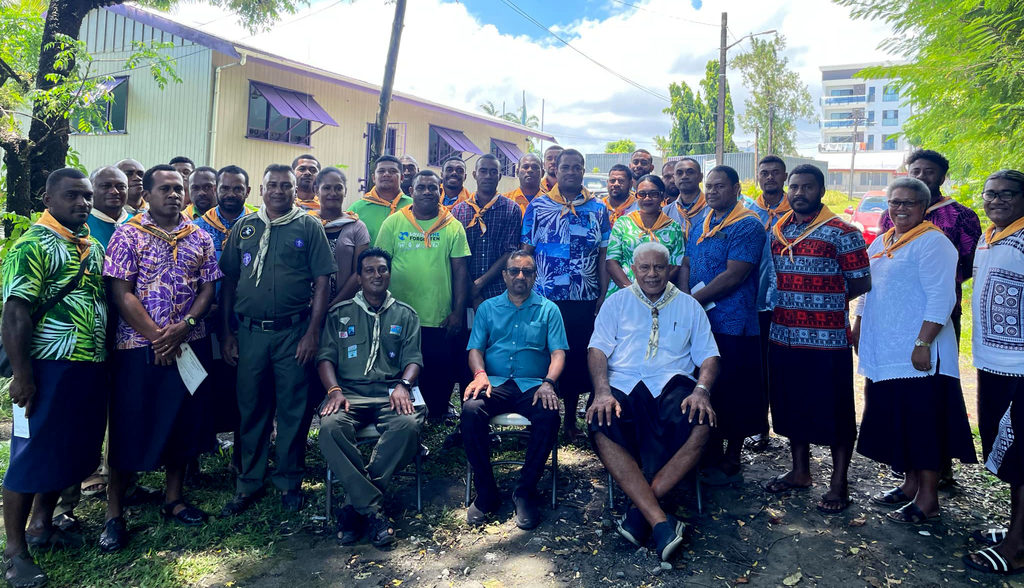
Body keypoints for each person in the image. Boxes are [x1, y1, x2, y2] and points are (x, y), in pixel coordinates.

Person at [100, 165, 223, 551]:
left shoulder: (198, 235)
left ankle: (174, 499)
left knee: (182, 420)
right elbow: (121, 293)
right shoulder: (128, 235)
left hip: (190, 344)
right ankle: (114, 513)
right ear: (147, 195)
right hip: (139, 348)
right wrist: (157, 337)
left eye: (178, 188)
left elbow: (208, 288)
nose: (173, 194)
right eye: (165, 188)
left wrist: (185, 325)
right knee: (130, 425)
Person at [1, 169, 107, 588]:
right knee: (31, 454)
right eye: (71, 196)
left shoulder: (91, 246)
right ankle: (14, 552)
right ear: (47, 198)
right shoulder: (32, 246)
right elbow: (15, 313)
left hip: (87, 368)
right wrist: (23, 376)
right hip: (46, 368)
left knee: (66, 450)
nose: (82, 203)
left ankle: (43, 526)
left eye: (85, 196)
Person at [854, 177, 976, 523]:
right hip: (888, 350)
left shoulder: (933, 244)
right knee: (902, 421)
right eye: (895, 202)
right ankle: (909, 486)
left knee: (924, 424)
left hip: (919, 353)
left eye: (909, 203)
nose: (900, 208)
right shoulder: (882, 241)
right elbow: (867, 290)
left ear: (924, 208)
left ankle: (928, 498)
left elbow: (942, 296)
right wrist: (859, 325)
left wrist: (923, 342)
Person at [587, 242, 719, 562]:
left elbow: (709, 356)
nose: (651, 274)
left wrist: (701, 390)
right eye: (644, 268)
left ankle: (639, 511)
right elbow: (597, 350)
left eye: (658, 267)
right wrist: (602, 390)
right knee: (599, 419)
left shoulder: (689, 306)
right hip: (623, 382)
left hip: (673, 384)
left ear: (670, 268)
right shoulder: (617, 303)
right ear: (633, 270)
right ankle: (660, 521)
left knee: (702, 422)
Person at [218, 164, 336, 515]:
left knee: (292, 410)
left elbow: (322, 282)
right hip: (251, 333)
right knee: (251, 408)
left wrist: (312, 332)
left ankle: (289, 481)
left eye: (286, 185)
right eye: (273, 185)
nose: (280, 191)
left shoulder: (309, 226)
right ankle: (249, 481)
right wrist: (226, 333)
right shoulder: (245, 227)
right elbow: (228, 282)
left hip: (293, 333)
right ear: (261, 189)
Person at [763, 164, 871, 514]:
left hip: (827, 342)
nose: (798, 193)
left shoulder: (844, 232)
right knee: (792, 405)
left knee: (836, 410)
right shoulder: (779, 230)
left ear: (820, 191)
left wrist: (824, 303)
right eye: (794, 187)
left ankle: (839, 483)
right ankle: (800, 472)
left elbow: (860, 283)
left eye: (807, 187)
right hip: (784, 335)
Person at [317, 247, 424, 548]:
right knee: (330, 427)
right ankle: (374, 510)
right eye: (369, 270)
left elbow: (414, 358)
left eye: (382, 270)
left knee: (408, 426)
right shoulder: (340, 315)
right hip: (348, 391)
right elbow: (325, 358)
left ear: (389, 274)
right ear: (360, 277)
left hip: (392, 391)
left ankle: (354, 506)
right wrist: (334, 390)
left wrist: (404, 384)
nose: (377, 275)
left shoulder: (405, 314)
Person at [461, 250, 568, 529]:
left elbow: (558, 353)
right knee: (471, 410)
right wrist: (480, 374)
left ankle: (525, 490)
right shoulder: (487, 308)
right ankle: (486, 494)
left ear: (535, 276)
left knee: (548, 415)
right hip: (494, 382)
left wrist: (549, 384)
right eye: (515, 271)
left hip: (533, 386)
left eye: (527, 272)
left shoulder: (548, 309)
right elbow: (475, 348)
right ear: (505, 275)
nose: (521, 276)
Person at [679, 165, 764, 485]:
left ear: (736, 188)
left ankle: (734, 453)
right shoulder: (702, 220)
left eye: (719, 186)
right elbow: (687, 262)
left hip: (734, 320)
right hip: (702, 318)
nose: (712, 191)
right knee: (704, 383)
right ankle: (708, 448)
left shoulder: (748, 225)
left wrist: (693, 300)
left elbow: (735, 274)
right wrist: (688, 298)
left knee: (734, 386)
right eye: (709, 186)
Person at [522, 148, 611, 441]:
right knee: (543, 354)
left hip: (583, 296)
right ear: (555, 170)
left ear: (583, 171)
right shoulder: (538, 206)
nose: (571, 172)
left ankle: (571, 420)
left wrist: (601, 293)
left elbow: (603, 254)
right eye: (566, 167)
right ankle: (539, 418)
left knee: (574, 358)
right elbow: (527, 252)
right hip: (546, 296)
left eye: (577, 167)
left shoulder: (598, 208)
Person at [375, 170, 470, 422]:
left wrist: (457, 312)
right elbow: (379, 266)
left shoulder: (453, 225)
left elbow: (461, 271)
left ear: (440, 192)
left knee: (438, 370)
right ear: (411, 192)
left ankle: (435, 414)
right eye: (421, 187)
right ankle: (398, 413)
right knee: (398, 367)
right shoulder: (394, 222)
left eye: (432, 188)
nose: (427, 192)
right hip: (398, 314)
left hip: (437, 317)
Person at [966, 170, 1024, 547]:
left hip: (1020, 367)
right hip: (990, 362)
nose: (996, 200)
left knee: (1021, 454)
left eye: (1007, 194)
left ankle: (1017, 546)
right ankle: (1017, 527)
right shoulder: (988, 239)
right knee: (1001, 444)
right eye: (990, 194)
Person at [878, 149, 982, 342]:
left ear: (942, 178)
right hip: (892, 305)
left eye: (929, 172)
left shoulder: (961, 215)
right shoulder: (890, 214)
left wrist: (936, 282)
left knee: (936, 365)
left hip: (941, 307)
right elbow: (881, 256)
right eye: (915, 171)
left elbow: (969, 264)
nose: (921, 176)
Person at [192, 164, 254, 475]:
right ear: (217, 189)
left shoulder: (256, 225)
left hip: (243, 322)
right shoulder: (197, 226)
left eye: (237, 189)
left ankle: (241, 457)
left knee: (242, 387)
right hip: (202, 319)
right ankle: (193, 458)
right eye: (225, 188)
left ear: (247, 191)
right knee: (199, 385)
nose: (231, 194)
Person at [744, 155, 790, 452]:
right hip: (755, 302)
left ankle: (790, 426)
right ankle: (760, 427)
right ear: (758, 176)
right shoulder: (748, 212)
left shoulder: (795, 210)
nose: (770, 177)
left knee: (783, 368)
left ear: (784, 176)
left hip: (788, 305)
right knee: (757, 368)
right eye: (764, 173)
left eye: (775, 173)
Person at [452, 154, 523, 307]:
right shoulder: (458, 211)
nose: (488, 176)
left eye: (493, 172)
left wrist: (479, 284)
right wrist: (471, 289)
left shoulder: (512, 209)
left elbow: (509, 251)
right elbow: (457, 255)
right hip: (464, 292)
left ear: (499, 176)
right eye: (483, 171)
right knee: (466, 331)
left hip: (499, 291)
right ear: (474, 174)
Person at [606, 174, 684, 296]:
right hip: (624, 291)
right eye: (642, 194)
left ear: (662, 196)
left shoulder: (673, 228)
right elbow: (612, 261)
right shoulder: (623, 223)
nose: (647, 198)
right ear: (636, 196)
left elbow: (676, 264)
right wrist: (632, 291)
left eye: (653, 194)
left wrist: (654, 289)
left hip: (660, 294)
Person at [310, 166, 371, 304]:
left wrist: (334, 305)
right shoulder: (307, 223)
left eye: (338, 188)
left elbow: (358, 272)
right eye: (327, 188)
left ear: (345, 192)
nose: (333, 193)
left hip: (344, 306)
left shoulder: (357, 227)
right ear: (316, 191)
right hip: (304, 306)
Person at [347, 155, 413, 245]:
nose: (386, 174)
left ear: (402, 178)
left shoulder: (413, 206)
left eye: (392, 171)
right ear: (373, 178)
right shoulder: (356, 209)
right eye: (381, 171)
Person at [86, 166, 129, 248]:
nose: (114, 191)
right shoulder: (81, 224)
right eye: (106, 186)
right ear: (91, 189)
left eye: (121, 186)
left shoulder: (138, 223)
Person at [666, 158, 709, 239]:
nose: (684, 176)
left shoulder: (712, 210)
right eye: (679, 173)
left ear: (700, 177)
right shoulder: (666, 212)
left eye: (690, 172)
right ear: (674, 178)